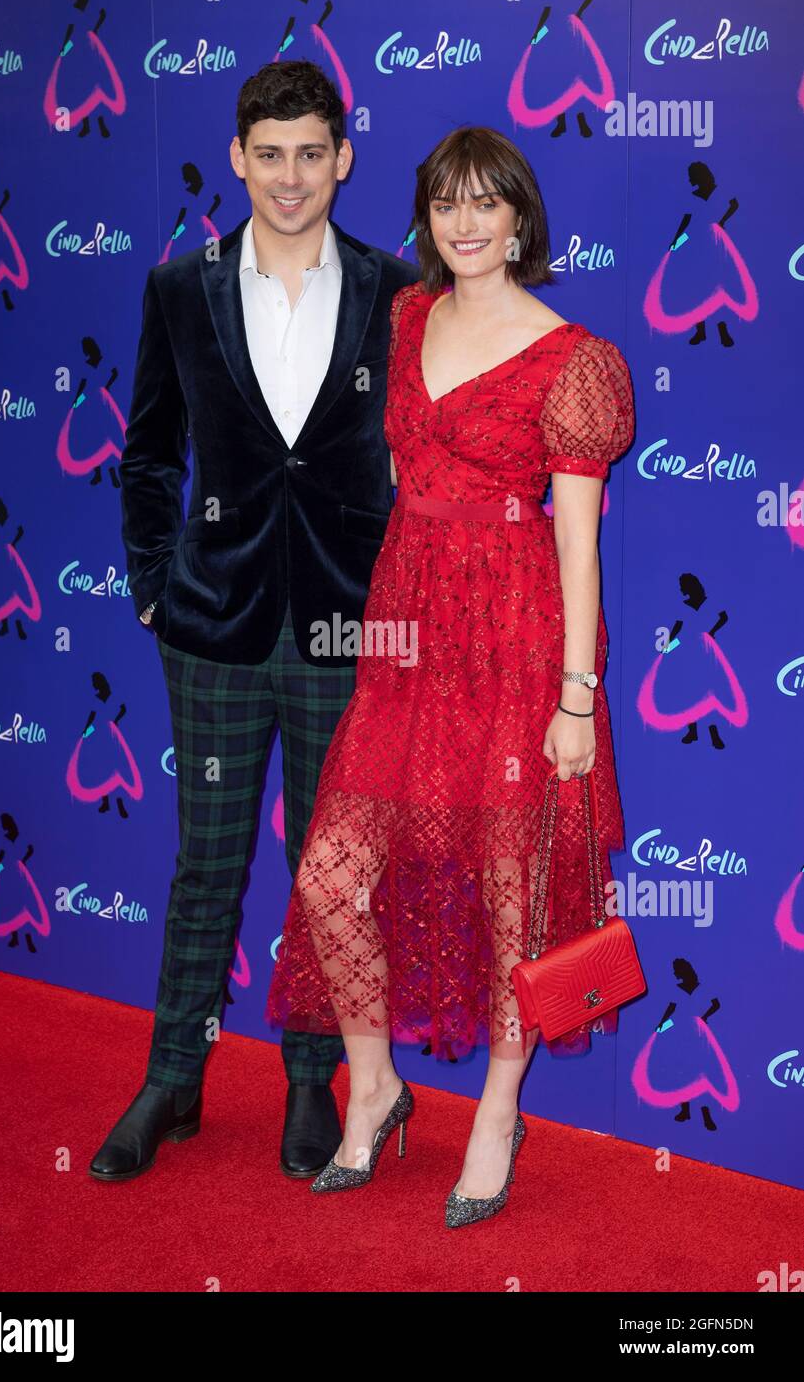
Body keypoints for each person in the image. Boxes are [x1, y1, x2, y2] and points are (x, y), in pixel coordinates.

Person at [265, 125, 635, 1227]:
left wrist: (578, 696)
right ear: (425, 216)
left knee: (508, 895)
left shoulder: (574, 359)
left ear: (519, 218)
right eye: (443, 203)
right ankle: (374, 1082)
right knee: (332, 872)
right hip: (404, 633)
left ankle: (495, 1110)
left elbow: (579, 545)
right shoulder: (407, 316)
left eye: (485, 204)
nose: (463, 223)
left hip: (517, 642)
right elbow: (393, 472)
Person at [89, 60, 418, 1183]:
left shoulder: (396, 288)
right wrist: (150, 582)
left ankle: (308, 1081)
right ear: (237, 159)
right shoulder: (179, 288)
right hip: (215, 627)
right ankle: (171, 1079)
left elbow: (424, 462)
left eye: (310, 154)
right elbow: (145, 454)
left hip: (345, 631)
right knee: (205, 867)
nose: (289, 177)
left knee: (330, 871)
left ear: (343, 159)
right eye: (267, 154)